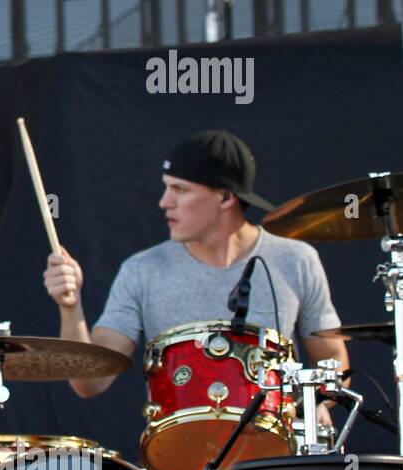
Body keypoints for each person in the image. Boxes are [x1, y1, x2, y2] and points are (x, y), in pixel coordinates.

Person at [42, 130, 346, 425]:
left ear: (226, 197)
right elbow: (89, 383)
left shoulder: (296, 259)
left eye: (180, 189)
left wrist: (310, 403)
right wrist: (70, 306)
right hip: (176, 459)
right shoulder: (142, 270)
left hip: (272, 457)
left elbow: (333, 365)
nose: (165, 202)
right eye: (167, 187)